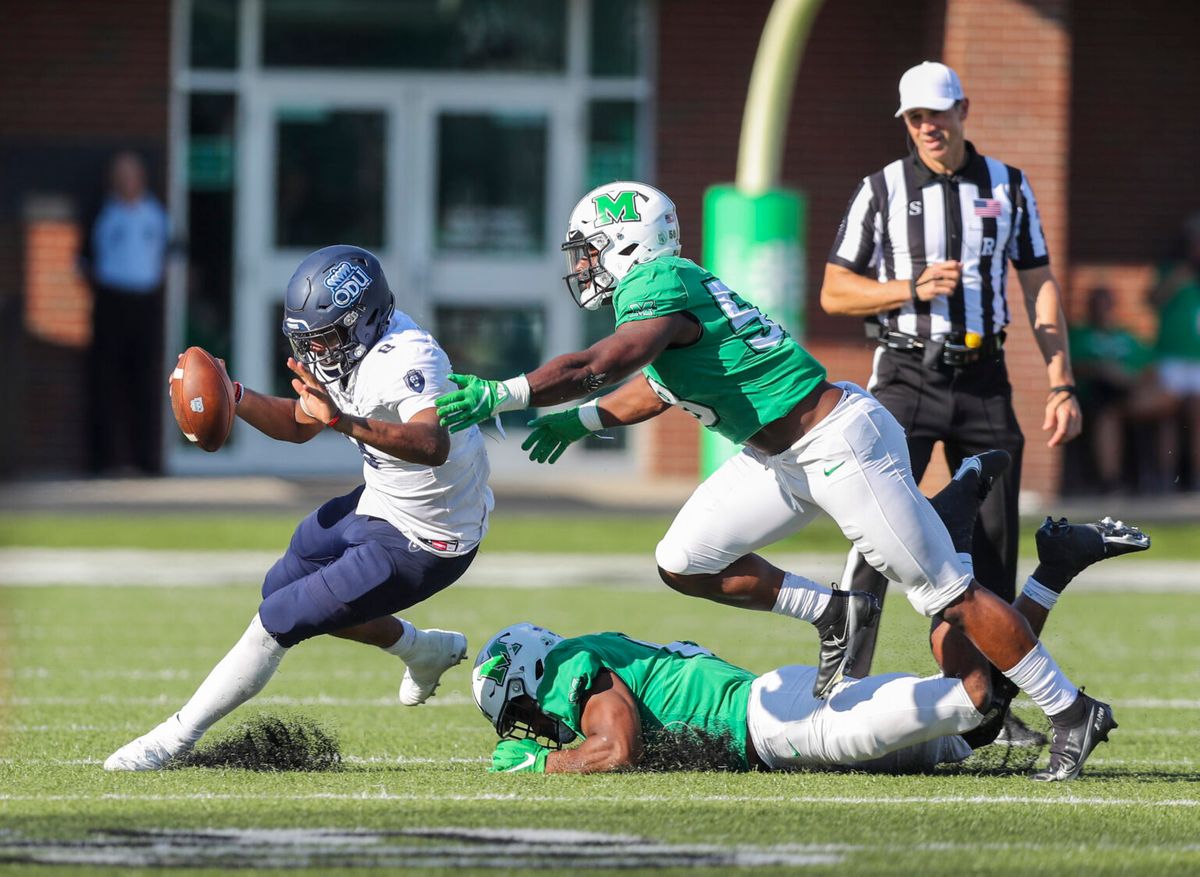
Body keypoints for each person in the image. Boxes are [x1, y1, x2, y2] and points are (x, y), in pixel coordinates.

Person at [436, 181, 1114, 781]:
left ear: (625, 244)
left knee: (948, 596)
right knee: (683, 558)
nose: (581, 266)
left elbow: (606, 360)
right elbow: (656, 385)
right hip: (781, 457)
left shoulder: (657, 282)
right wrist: (582, 422)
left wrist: (508, 392)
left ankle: (1072, 711)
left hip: (837, 443)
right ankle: (831, 608)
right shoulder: (667, 295)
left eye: (589, 249)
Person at [470, 464, 1148, 777]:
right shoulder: (587, 654)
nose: (533, 721)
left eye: (523, 708)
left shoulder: (571, 667)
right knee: (981, 722)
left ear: (537, 671)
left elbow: (618, 748)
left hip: (780, 723)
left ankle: (953, 529)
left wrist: (543, 762)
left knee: (970, 697)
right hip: (779, 711)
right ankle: (1050, 566)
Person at [105, 245, 492, 770]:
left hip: (429, 537)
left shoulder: (409, 355)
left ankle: (172, 739)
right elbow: (299, 423)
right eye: (308, 339)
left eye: (328, 337)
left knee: (280, 618)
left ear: (365, 318)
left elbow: (431, 444)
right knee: (282, 590)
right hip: (381, 502)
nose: (319, 351)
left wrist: (344, 422)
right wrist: (235, 396)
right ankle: (420, 649)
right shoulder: (351, 347)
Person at [817, 61, 1082, 741]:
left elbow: (1039, 283)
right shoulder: (881, 189)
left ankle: (989, 705)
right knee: (874, 538)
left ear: (964, 108)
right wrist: (907, 288)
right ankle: (841, 688)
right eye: (915, 118)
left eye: (938, 113)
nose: (928, 128)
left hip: (985, 380)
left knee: (992, 549)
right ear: (904, 122)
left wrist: (1061, 379)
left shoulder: (1008, 185)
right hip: (905, 377)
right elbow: (834, 291)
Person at [81, 151, 170, 475]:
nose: (126, 181)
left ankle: (145, 460)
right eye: (121, 174)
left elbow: (165, 256)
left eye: (131, 174)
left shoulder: (155, 213)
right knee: (104, 382)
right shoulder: (102, 212)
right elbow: (84, 260)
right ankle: (102, 460)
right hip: (110, 301)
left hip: (144, 303)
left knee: (144, 382)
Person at [1069, 287, 1175, 494]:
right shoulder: (1079, 335)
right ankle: (1111, 481)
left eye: (1106, 305)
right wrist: (1100, 368)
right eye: (1097, 305)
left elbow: (1150, 368)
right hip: (1096, 396)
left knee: (1168, 406)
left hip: (1130, 394)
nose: (1102, 310)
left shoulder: (1127, 337)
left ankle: (1166, 477)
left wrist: (1130, 378)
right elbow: (1071, 366)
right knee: (1109, 415)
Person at [1150, 212, 1200, 490]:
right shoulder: (1172, 271)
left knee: (1198, 415)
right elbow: (1153, 300)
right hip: (1171, 357)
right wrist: (1178, 279)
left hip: (1198, 359)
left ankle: (1195, 479)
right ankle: (1166, 477)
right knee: (1166, 414)